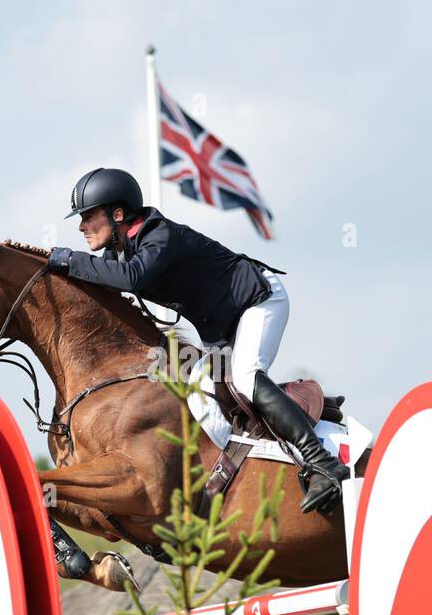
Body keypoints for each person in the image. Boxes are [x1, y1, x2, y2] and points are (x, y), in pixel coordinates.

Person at [46, 167, 350, 514]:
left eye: (88, 216)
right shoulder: (120, 252)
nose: (82, 226)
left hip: (257, 301)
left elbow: (131, 278)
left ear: (117, 214)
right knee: (201, 396)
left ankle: (324, 464)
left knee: (247, 378)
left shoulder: (157, 234)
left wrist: (68, 259)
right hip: (221, 328)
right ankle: (244, 473)